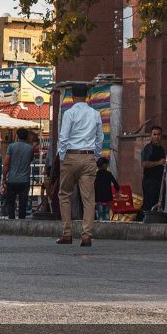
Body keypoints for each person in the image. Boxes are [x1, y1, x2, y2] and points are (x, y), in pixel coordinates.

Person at [55, 83, 103, 246]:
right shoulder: (95, 114)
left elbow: (63, 137)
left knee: (65, 194)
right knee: (88, 198)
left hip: (71, 156)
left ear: (73, 97)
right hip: (88, 157)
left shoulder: (69, 113)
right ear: (88, 97)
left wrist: (63, 157)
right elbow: (100, 138)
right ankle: (86, 235)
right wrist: (95, 156)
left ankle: (67, 233)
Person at [2, 128, 34, 220]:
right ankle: (21, 221)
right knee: (23, 203)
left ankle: (11, 220)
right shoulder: (30, 148)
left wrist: (4, 177)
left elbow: (6, 163)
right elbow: (30, 160)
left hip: (12, 180)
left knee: (10, 202)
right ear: (27, 137)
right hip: (25, 181)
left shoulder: (11, 147)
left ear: (17, 135)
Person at [139, 126, 167, 219]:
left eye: (158, 134)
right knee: (149, 204)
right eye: (154, 134)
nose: (156, 137)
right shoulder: (148, 148)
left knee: (160, 203)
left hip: (160, 180)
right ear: (151, 136)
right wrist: (158, 162)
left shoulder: (162, 149)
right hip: (150, 181)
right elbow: (144, 163)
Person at [94, 156, 121, 221]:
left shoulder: (96, 174)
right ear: (104, 165)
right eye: (107, 164)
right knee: (106, 213)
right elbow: (116, 184)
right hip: (107, 197)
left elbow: (93, 185)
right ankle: (107, 227)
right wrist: (117, 191)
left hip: (99, 198)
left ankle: (100, 228)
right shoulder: (109, 174)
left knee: (100, 214)